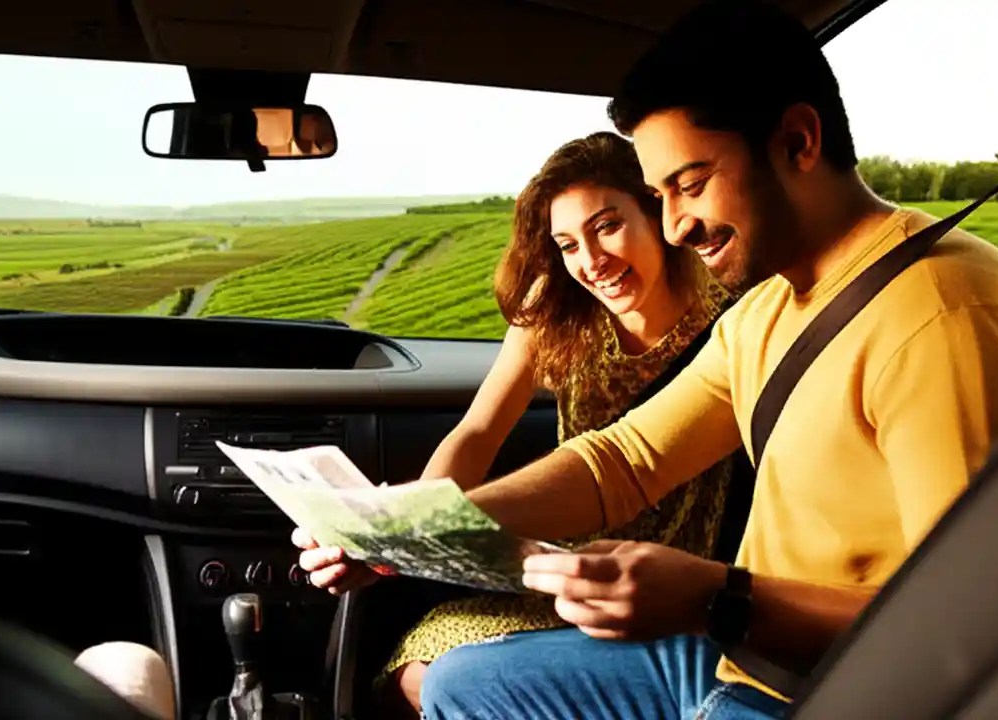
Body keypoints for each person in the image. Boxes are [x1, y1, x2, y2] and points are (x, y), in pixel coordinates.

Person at [298, 1, 998, 718]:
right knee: (465, 682)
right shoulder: (769, 308)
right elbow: (623, 462)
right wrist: (405, 535)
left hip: (842, 681)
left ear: (798, 143)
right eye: (659, 194)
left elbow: (979, 627)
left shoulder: (943, 317)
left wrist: (720, 599)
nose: (673, 227)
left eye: (690, 184)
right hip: (745, 648)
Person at [294, 130, 743, 717]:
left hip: (677, 572)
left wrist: (416, 528)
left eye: (607, 227)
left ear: (658, 210)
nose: (591, 262)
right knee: (411, 675)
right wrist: (403, 528)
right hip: (563, 559)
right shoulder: (555, 309)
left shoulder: (732, 320)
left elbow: (621, 467)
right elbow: (478, 432)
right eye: (567, 244)